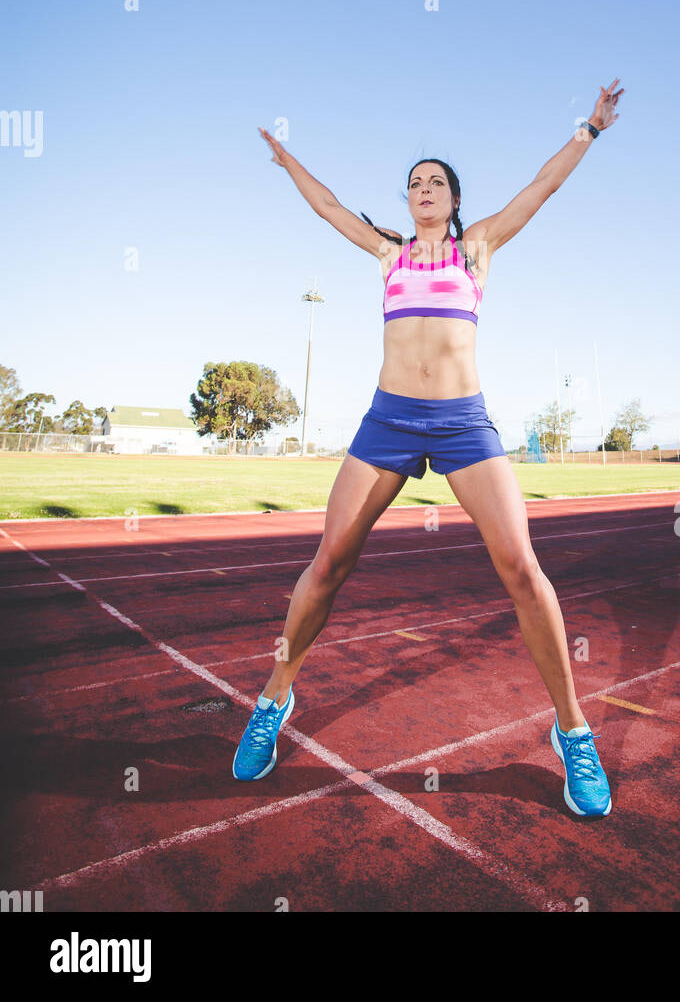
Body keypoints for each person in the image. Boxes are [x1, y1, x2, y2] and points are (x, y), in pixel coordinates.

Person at [233, 80, 625, 817]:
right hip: (388, 419)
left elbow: (539, 189)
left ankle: (572, 730)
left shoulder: (478, 249)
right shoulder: (387, 256)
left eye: (435, 183)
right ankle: (272, 700)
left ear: (452, 198)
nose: (423, 190)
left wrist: (590, 130)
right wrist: (288, 164)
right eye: (414, 184)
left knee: (521, 565)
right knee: (329, 563)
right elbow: (328, 208)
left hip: (461, 422)